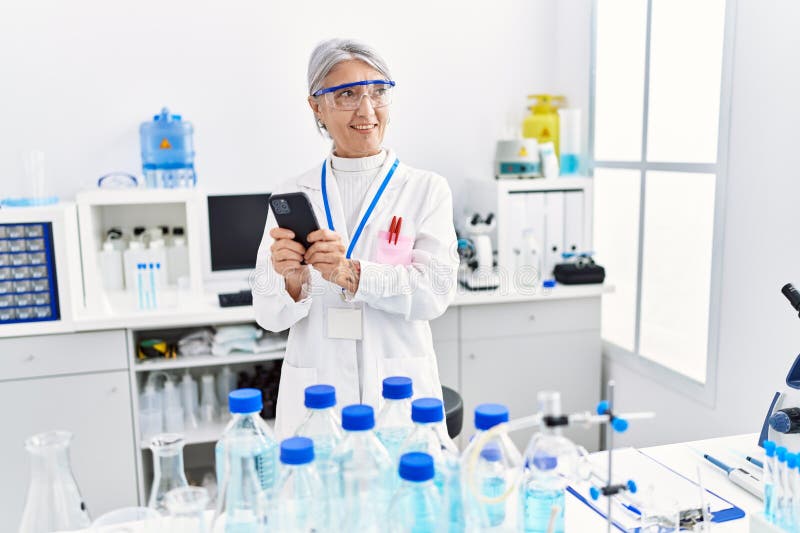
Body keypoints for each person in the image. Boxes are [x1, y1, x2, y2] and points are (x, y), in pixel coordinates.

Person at [252, 38, 458, 438]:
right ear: (316, 106)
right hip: (319, 390)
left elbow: (436, 290)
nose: (367, 110)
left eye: (378, 92)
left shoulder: (426, 189)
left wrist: (352, 273)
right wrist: (293, 281)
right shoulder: (291, 194)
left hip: (398, 391)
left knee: (405, 494)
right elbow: (267, 313)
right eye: (346, 95)